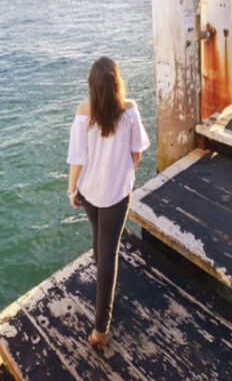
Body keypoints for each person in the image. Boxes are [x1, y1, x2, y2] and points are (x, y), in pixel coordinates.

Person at [66, 57, 150, 347]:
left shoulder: (83, 112)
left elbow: (77, 159)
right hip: (117, 193)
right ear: (117, 83)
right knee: (109, 252)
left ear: (92, 85)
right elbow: (137, 152)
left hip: (90, 191)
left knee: (99, 239)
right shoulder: (129, 110)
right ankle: (101, 330)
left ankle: (104, 296)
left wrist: (71, 191)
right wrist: (126, 173)